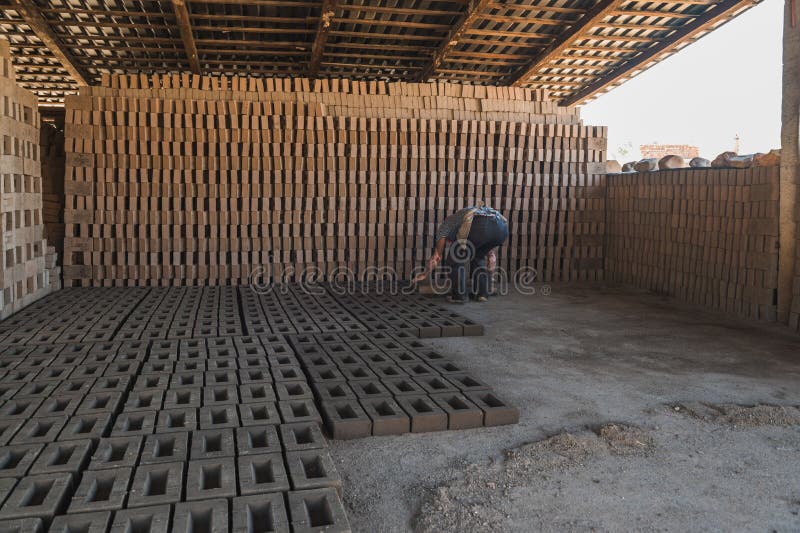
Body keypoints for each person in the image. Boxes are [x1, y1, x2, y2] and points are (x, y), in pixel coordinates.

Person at [415, 206, 509, 303]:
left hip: (480, 226)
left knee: (455, 260)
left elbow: (436, 256)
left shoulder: (446, 225)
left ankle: (459, 296)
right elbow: (488, 233)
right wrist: (490, 254)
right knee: (478, 256)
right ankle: (482, 294)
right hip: (502, 228)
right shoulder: (467, 215)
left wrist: (425, 272)